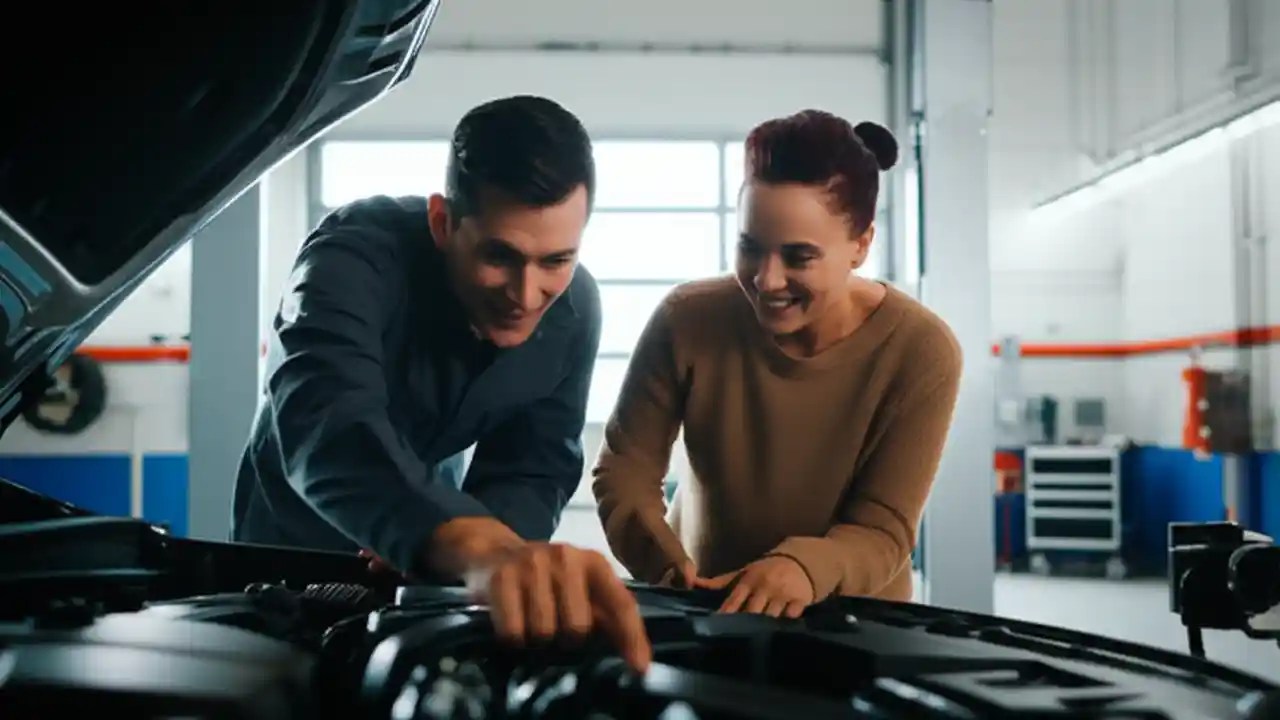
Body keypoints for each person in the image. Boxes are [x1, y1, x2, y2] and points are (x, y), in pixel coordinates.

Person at [231, 95, 649, 671]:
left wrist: (485, 555)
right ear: (442, 222)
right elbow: (325, 415)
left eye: (556, 260)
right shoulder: (351, 253)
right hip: (292, 539)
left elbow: (534, 465)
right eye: (500, 256)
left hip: (438, 544)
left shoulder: (576, 307)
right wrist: (458, 537)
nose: (527, 297)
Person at [591, 109, 962, 617]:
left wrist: (801, 569)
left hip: (853, 626)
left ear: (861, 244)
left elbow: (883, 529)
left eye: (799, 257)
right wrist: (668, 568)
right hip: (702, 610)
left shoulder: (921, 350)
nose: (766, 280)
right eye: (749, 247)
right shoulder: (687, 319)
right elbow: (625, 470)